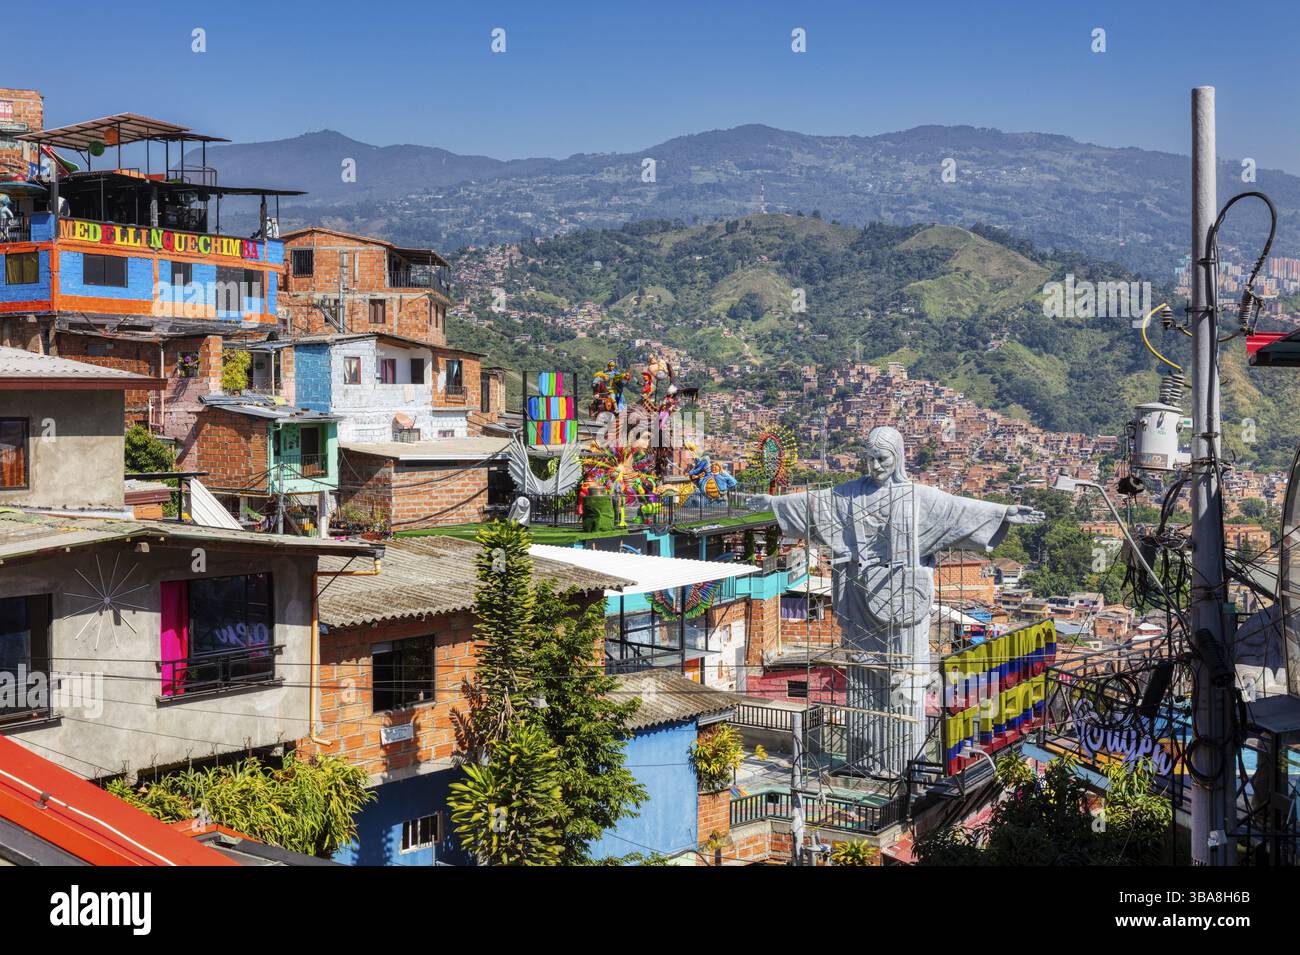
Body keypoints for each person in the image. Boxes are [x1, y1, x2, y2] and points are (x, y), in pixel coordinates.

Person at [763, 426, 1043, 775]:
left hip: (905, 608)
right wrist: (773, 504)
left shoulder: (918, 498)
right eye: (869, 458)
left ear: (897, 459)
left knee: (905, 679)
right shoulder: (847, 496)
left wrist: (1003, 513)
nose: (875, 465)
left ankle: (902, 767)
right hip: (859, 599)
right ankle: (862, 763)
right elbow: (814, 503)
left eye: (882, 458)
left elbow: (957, 510)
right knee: (863, 676)